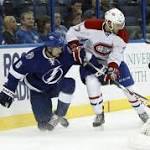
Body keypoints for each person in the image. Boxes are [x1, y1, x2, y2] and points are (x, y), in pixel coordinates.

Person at [66, 8, 149, 127]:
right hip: (91, 60)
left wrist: (112, 69)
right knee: (91, 83)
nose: (120, 28)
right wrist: (75, 46)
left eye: (121, 25)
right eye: (117, 25)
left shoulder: (123, 34)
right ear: (109, 23)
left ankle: (142, 112)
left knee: (128, 88)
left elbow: (116, 55)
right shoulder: (91, 25)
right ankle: (99, 114)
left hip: (109, 61)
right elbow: (71, 32)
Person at [0, 33, 80, 131]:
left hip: (55, 86)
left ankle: (58, 115)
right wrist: (9, 90)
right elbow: (15, 71)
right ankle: (49, 117)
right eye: (58, 47)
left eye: (61, 47)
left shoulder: (66, 54)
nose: (61, 49)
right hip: (38, 91)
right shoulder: (33, 57)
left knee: (69, 83)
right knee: (43, 126)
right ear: (49, 48)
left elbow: (85, 56)